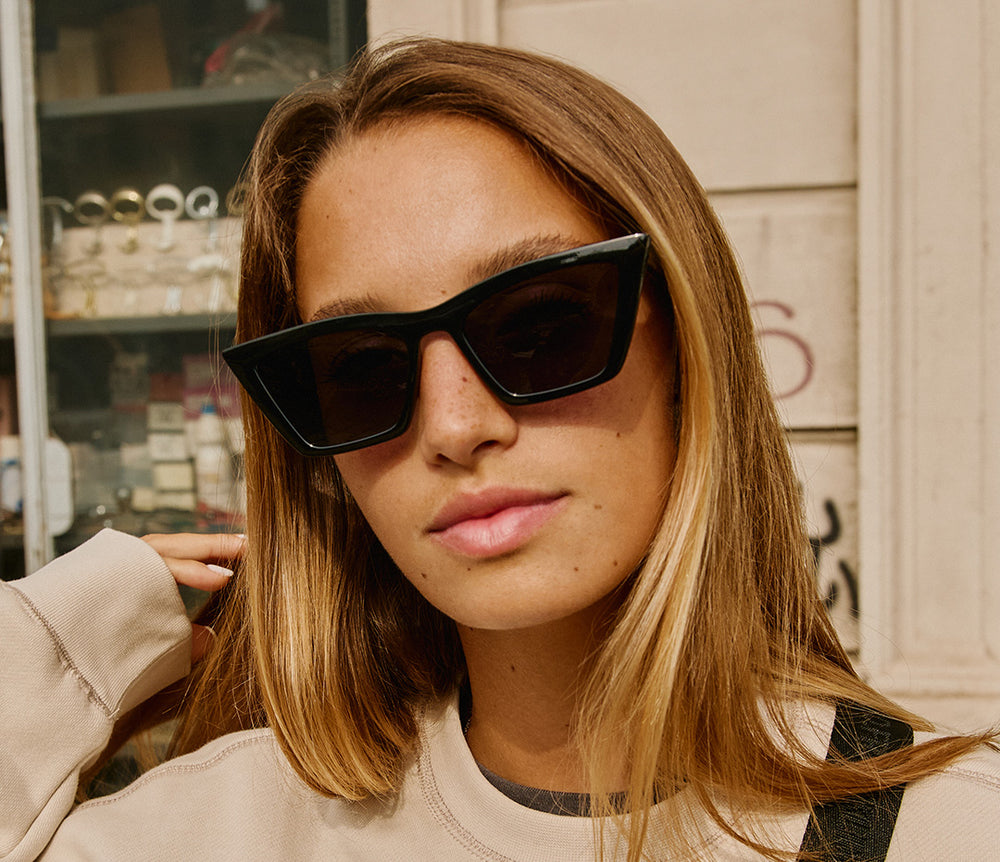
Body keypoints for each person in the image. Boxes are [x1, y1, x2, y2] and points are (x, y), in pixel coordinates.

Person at [2, 37, 998, 862]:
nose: (453, 425)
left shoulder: (948, 832)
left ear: (688, 345)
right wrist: (53, 645)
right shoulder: (217, 832)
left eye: (538, 325)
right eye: (361, 368)